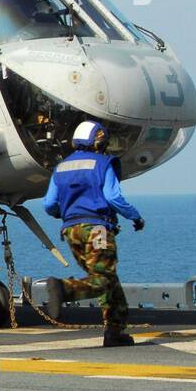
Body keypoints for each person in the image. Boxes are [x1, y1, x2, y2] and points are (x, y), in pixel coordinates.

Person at [42, 120, 145, 347]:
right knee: (102, 279)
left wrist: (68, 214)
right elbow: (112, 197)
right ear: (99, 141)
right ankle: (64, 289)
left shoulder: (62, 167)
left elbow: (49, 204)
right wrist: (135, 216)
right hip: (97, 229)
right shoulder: (103, 163)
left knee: (110, 282)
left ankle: (114, 332)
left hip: (71, 230)